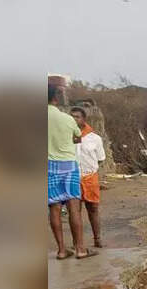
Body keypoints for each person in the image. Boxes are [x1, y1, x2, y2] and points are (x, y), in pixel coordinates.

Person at [48, 84, 93, 259]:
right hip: (68, 164)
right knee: (74, 207)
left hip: (47, 165)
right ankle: (80, 249)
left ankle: (61, 250)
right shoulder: (67, 119)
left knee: (54, 208)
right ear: (55, 98)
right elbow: (77, 136)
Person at [71, 106, 106, 248]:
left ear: (83, 119)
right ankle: (77, 243)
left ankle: (97, 239)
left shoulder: (95, 138)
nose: (73, 119)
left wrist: (89, 169)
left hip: (90, 177)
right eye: (71, 116)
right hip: (73, 177)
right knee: (74, 211)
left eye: (77, 117)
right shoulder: (66, 136)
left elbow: (100, 158)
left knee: (93, 209)